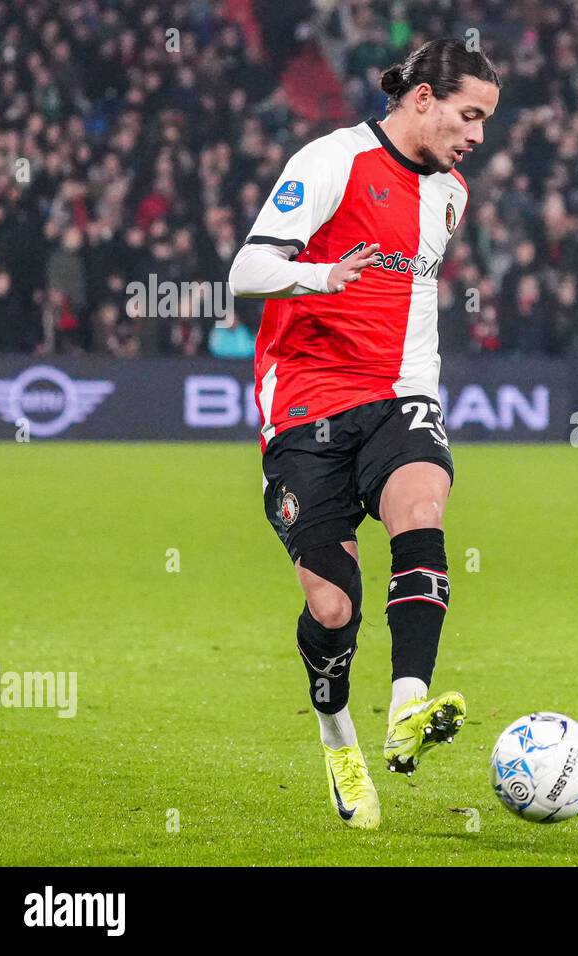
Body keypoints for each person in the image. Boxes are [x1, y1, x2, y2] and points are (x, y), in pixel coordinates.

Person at [227, 38, 501, 830]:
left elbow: (417, 305)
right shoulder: (331, 161)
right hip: (306, 406)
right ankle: (337, 733)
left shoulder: (451, 194)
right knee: (335, 606)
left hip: (399, 396)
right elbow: (246, 269)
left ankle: (409, 703)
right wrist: (320, 274)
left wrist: (422, 392)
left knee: (423, 507)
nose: (478, 135)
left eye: (486, 120)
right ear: (423, 99)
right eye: (469, 114)